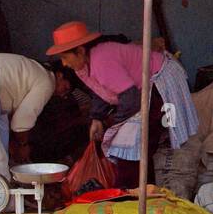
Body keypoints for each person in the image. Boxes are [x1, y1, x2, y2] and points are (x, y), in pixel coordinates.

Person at [46, 21, 199, 188]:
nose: (64, 64)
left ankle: (128, 192)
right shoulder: (84, 66)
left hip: (159, 81)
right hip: (138, 91)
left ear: (80, 51)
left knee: (135, 142)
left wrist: (115, 124)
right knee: (136, 143)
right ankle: (138, 189)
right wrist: (97, 118)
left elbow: (130, 98)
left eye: (65, 57)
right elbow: (101, 90)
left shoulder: (101, 61)